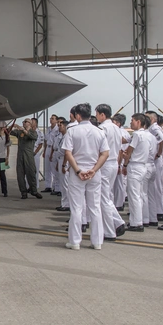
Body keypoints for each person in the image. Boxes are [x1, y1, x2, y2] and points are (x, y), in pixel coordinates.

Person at [62, 103, 109, 250]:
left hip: (78, 172)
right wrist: (94, 169)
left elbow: (68, 152)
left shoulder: (72, 131)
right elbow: (105, 153)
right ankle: (97, 241)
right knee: (94, 207)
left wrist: (77, 170)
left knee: (77, 208)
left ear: (77, 116)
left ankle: (75, 241)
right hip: (93, 173)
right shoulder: (99, 131)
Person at [95, 104, 127, 240]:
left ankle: (110, 231)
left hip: (105, 163)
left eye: (97, 114)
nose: (96, 117)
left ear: (102, 115)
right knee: (106, 195)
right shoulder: (116, 127)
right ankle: (117, 222)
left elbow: (98, 148)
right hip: (113, 162)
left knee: (103, 198)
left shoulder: (102, 128)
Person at [121, 113, 154, 231]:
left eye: (133, 121)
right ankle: (139, 220)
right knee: (140, 195)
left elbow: (129, 150)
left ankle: (136, 223)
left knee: (134, 196)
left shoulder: (137, 134)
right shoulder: (148, 135)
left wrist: (125, 162)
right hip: (143, 166)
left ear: (139, 122)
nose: (131, 123)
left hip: (135, 166)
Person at [10, 119, 42, 199]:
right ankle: (23, 192)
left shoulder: (33, 132)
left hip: (28, 156)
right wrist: (13, 126)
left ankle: (33, 190)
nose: (23, 123)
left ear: (30, 124)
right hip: (20, 156)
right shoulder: (20, 132)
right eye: (23, 122)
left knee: (31, 173)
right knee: (20, 175)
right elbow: (10, 132)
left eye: (25, 122)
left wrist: (23, 130)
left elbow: (32, 137)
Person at [146, 110, 163, 226]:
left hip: (156, 160)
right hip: (153, 159)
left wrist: (158, 154)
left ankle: (159, 210)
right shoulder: (150, 128)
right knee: (152, 187)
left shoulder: (155, 128)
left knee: (157, 186)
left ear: (153, 119)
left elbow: (162, 140)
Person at [112, 113, 128, 211]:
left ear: (118, 123)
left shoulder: (120, 133)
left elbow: (121, 151)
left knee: (119, 183)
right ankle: (119, 202)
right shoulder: (122, 132)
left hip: (119, 160)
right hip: (120, 160)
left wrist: (118, 165)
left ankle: (118, 203)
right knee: (120, 183)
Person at [54, 118, 70, 212]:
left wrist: (64, 165)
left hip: (65, 160)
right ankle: (64, 203)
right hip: (60, 159)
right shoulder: (61, 136)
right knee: (62, 183)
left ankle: (66, 204)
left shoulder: (67, 137)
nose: (59, 127)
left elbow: (66, 152)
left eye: (61, 125)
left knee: (65, 184)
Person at [44, 115, 61, 194]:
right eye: (50, 118)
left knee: (54, 169)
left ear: (56, 120)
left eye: (53, 119)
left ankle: (56, 187)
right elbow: (45, 140)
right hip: (47, 147)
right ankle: (48, 186)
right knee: (47, 168)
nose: (51, 120)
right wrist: (44, 151)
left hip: (53, 149)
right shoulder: (48, 129)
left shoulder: (57, 129)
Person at [32, 117, 44, 185]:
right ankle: (28, 185)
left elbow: (40, 144)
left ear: (36, 123)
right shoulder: (29, 131)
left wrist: (35, 152)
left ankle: (35, 185)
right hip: (29, 151)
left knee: (35, 169)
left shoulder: (39, 133)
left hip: (35, 151)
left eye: (32, 122)